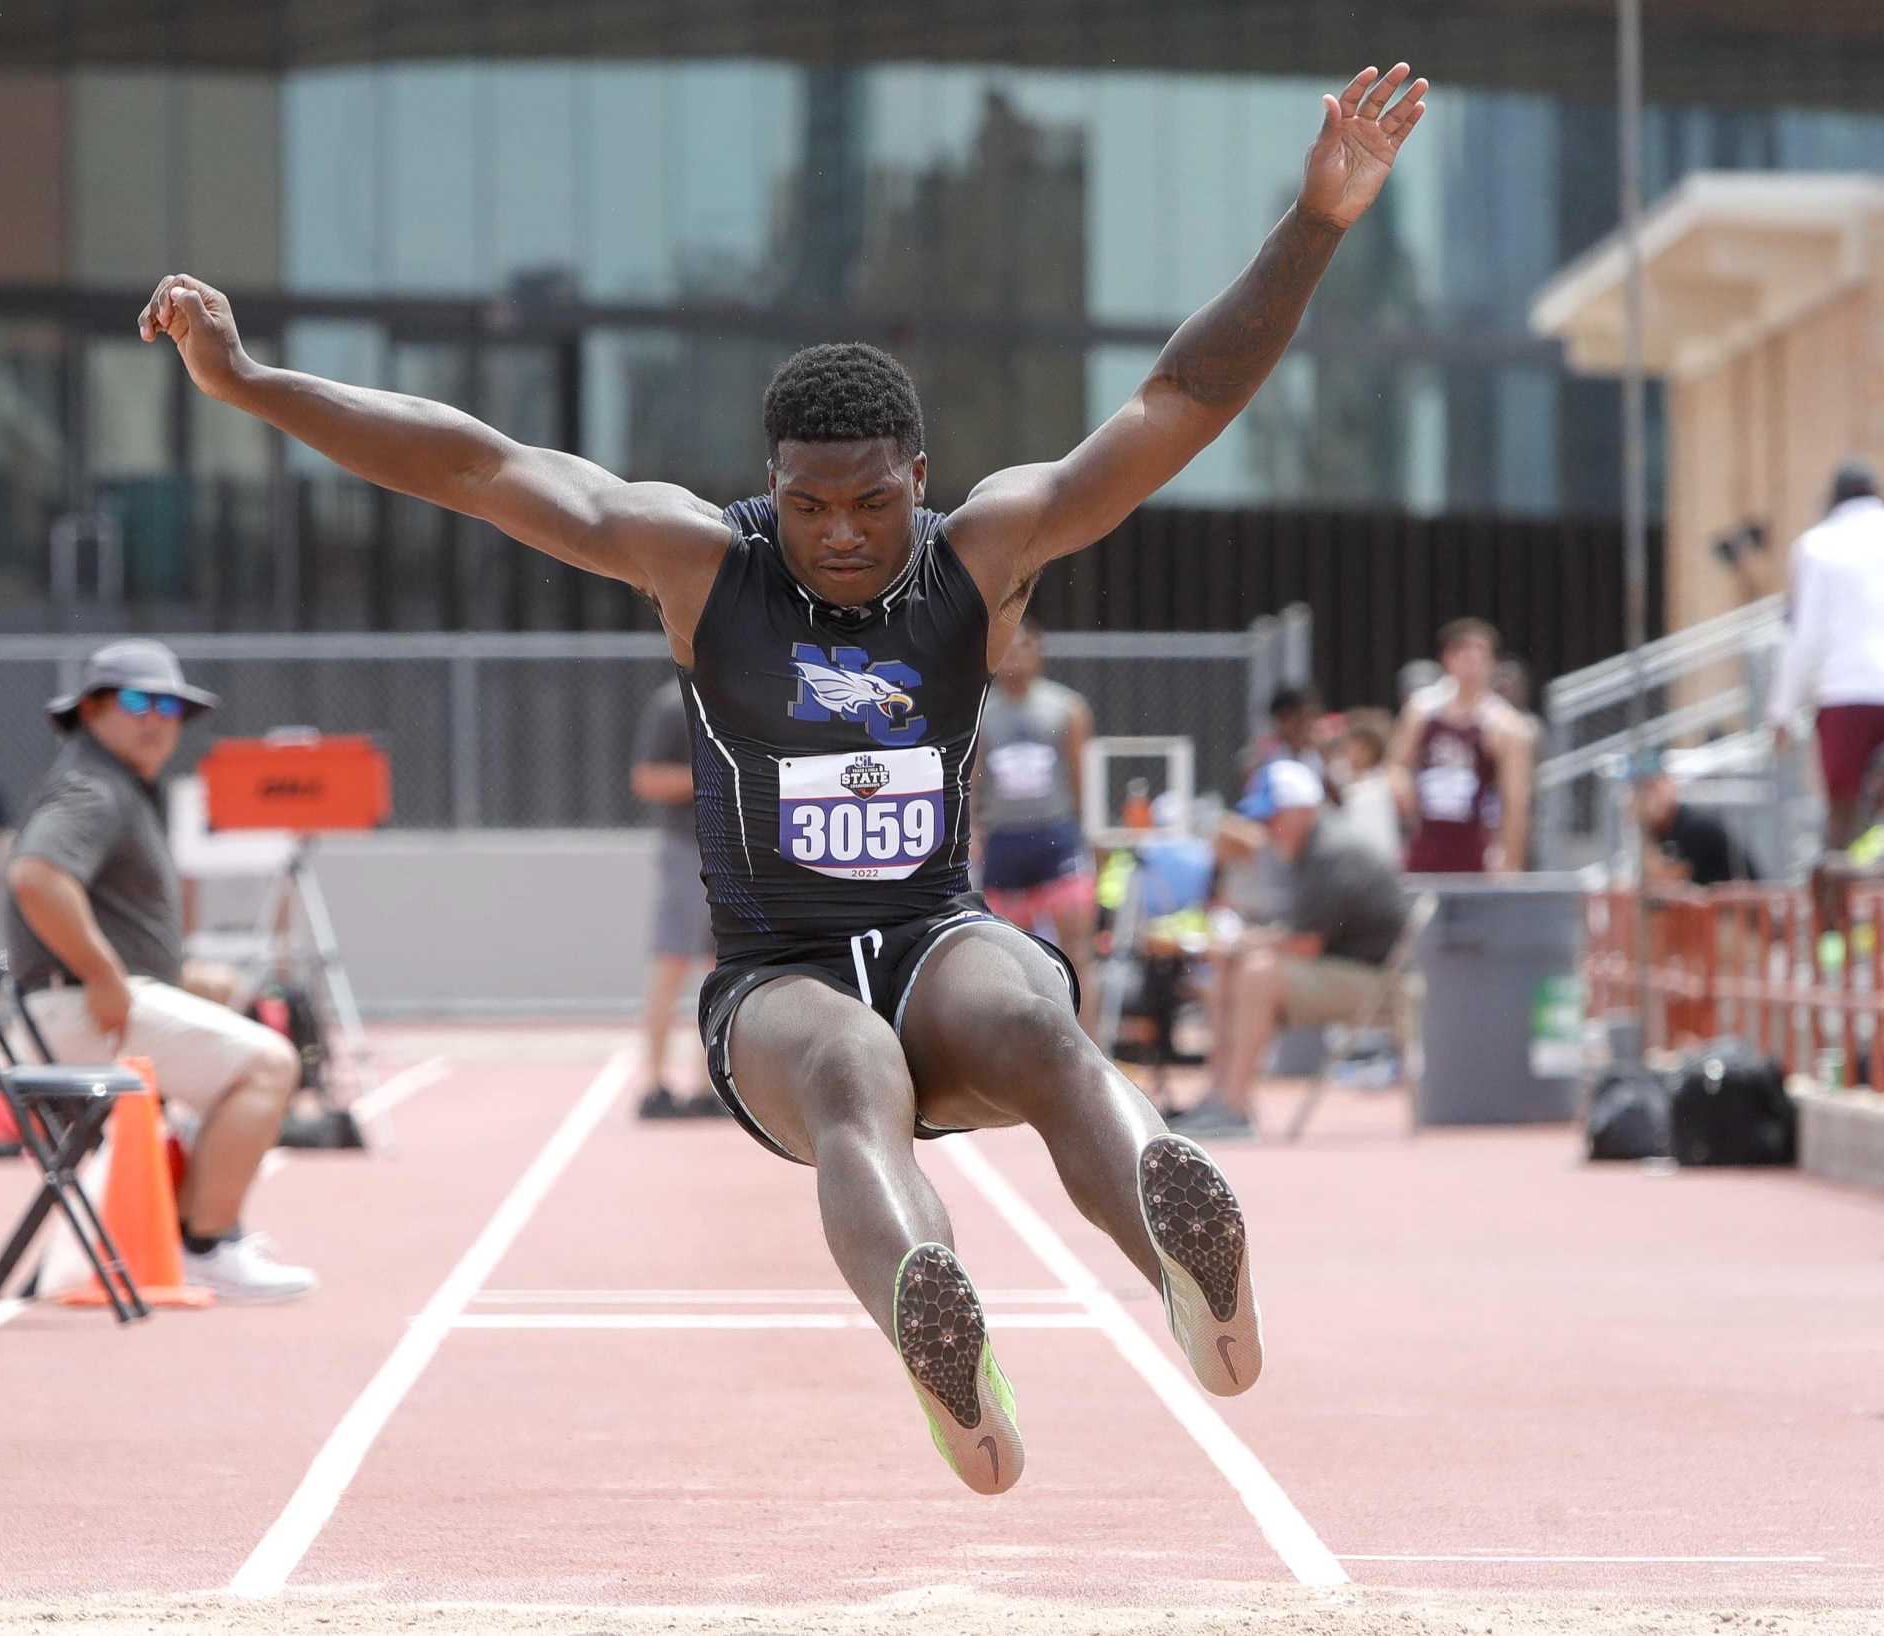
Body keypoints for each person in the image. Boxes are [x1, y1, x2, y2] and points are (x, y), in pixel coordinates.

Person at [138, 60, 1428, 1492]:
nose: (841, 535)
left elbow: (1178, 398)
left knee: (1038, 1020)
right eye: (809, 505)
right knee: (851, 1072)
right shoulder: (702, 562)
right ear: (771, 484)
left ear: (920, 477)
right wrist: (249, 381)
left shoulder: (984, 551)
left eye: (874, 503)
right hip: (776, 979)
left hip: (941, 938)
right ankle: (943, 1337)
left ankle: (1179, 1241)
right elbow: (479, 469)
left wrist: (1314, 224)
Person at [6, 641, 315, 1303]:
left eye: (172, 706)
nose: (159, 719)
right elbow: (36, 877)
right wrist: (106, 975)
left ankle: (197, 1234)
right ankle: (205, 1243)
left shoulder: (110, 780)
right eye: (139, 701)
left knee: (236, 1058)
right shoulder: (92, 785)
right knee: (269, 1064)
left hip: (77, 1005)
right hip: (78, 1012)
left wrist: (168, 972)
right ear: (90, 709)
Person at [1175, 760, 1410, 1140]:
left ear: (1303, 810)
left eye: (1273, 817)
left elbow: (1305, 943)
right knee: (1228, 971)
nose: (1267, 828)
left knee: (1257, 972)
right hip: (1342, 970)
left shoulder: (1333, 851)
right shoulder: (1310, 847)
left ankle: (1233, 1108)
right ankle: (1218, 1099)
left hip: (1379, 983)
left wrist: (1242, 942)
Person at [972, 619, 1099, 1029]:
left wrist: (1086, 833)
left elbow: (1081, 776)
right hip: (1005, 841)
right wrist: (973, 831)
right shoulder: (981, 710)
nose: (1014, 654)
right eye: (1005, 646)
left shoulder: (1066, 707)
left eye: (1022, 646)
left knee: (1078, 951)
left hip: (1056, 837)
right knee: (1007, 956)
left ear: (1038, 649)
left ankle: (1094, 1051)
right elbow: (973, 780)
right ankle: (1016, 1052)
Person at [1770, 459, 1884, 851]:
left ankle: (1837, 904)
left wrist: (1783, 710)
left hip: (1845, 692)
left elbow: (1805, 635)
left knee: (1842, 809)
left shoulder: (1816, 545)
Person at [630, 677, 724, 1119]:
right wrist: (711, 774)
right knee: (671, 963)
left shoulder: (741, 696)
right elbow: (646, 778)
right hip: (685, 848)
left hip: (731, 852)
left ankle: (710, 1084)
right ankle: (654, 1082)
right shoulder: (672, 703)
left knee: (720, 967)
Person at [1388, 617, 1534, 874]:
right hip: (1426, 840)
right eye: (1465, 656)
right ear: (1448, 659)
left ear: (1492, 663)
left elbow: (1515, 800)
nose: (1472, 666)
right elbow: (1396, 766)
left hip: (1476, 846)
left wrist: (1510, 861)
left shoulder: (1505, 726)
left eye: (1479, 658)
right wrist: (1405, 796)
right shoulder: (1422, 712)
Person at [1631, 751, 1760, 888]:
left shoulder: (1694, 825)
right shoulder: (1664, 828)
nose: (1650, 798)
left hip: (1744, 903)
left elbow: (1665, 882)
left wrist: (1644, 826)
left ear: (1669, 784)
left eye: (1653, 787)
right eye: (1644, 791)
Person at [1330, 709, 1402, 864]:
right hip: (1352, 857)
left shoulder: (1387, 778)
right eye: (1351, 747)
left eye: (1362, 748)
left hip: (1383, 855)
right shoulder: (1338, 776)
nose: (1355, 753)